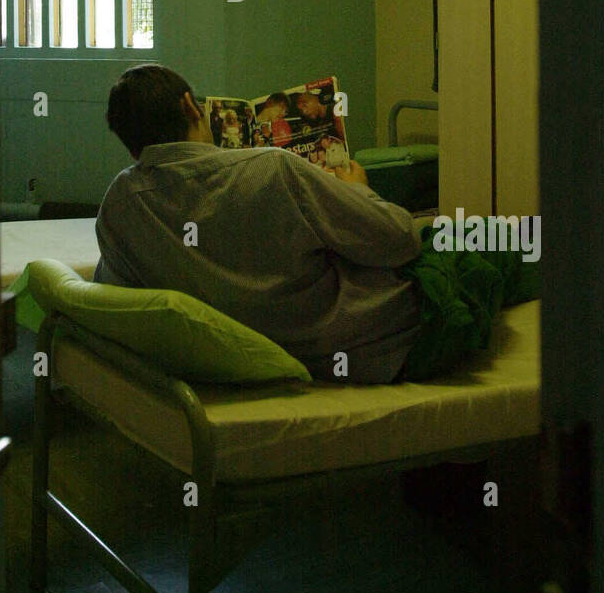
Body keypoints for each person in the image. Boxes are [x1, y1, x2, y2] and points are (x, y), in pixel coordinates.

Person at [94, 63, 424, 383]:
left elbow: (117, 296)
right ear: (189, 106)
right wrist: (357, 190)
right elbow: (400, 239)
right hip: (359, 348)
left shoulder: (119, 204)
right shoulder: (276, 169)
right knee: (454, 245)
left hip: (225, 362)